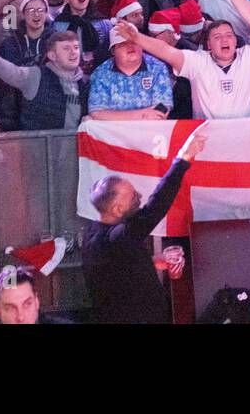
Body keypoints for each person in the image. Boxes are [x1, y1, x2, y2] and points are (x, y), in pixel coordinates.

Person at [82, 124, 206, 323]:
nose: (139, 197)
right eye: (133, 197)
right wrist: (183, 158)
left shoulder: (96, 233)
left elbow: (118, 270)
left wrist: (154, 261)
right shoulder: (116, 238)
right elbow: (156, 206)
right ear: (117, 210)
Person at [116, 3, 250, 118]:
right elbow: (166, 50)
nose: (224, 39)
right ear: (208, 45)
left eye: (229, 35)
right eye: (217, 37)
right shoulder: (197, 62)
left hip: (248, 141)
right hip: (211, 143)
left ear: (236, 40)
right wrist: (137, 38)